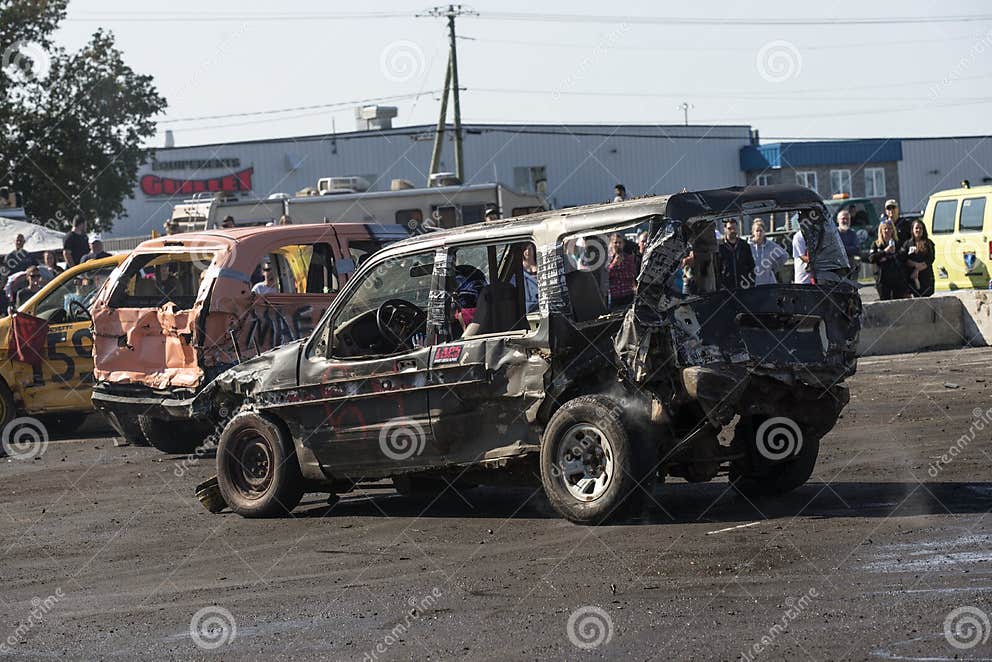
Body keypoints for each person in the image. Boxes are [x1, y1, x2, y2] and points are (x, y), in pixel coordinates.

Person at [867, 222, 908, 300]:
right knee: (885, 302)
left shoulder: (898, 243)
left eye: (889, 228)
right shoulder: (876, 244)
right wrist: (885, 252)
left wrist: (886, 258)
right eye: (885, 228)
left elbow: (902, 256)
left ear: (893, 230)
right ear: (881, 231)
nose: (887, 231)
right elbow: (871, 258)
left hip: (897, 278)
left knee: (897, 302)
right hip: (882, 279)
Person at [717, 218, 755, 290]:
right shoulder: (720, 247)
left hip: (743, 286)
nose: (732, 231)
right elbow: (717, 268)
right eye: (729, 228)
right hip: (726, 288)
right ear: (725, 229)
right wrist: (720, 285)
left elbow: (751, 266)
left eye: (734, 228)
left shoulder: (744, 245)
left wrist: (750, 282)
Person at [901, 220, 935, 297]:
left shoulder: (929, 243)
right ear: (912, 230)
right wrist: (915, 265)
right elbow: (903, 258)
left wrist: (917, 269)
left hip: (926, 278)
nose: (918, 230)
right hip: (911, 279)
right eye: (916, 228)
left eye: (920, 228)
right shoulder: (907, 244)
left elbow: (931, 259)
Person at [748, 219, 787, 286]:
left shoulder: (770, 245)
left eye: (761, 231)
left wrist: (774, 267)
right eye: (757, 231)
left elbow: (784, 255)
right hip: (753, 283)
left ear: (764, 232)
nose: (759, 233)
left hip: (768, 283)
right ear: (753, 232)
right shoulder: (747, 246)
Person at [606, 232, 637, 306]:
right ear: (611, 244)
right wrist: (614, 264)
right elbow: (606, 276)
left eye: (620, 242)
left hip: (628, 294)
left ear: (623, 244)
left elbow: (632, 274)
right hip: (614, 296)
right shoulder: (607, 259)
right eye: (615, 242)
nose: (618, 245)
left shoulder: (629, 258)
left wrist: (617, 273)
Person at [836, 209, 861, 278]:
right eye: (843, 218)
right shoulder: (834, 234)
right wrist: (849, 249)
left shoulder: (853, 233)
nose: (845, 221)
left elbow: (857, 249)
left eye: (847, 219)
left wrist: (843, 248)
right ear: (838, 220)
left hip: (851, 268)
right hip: (838, 269)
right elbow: (835, 250)